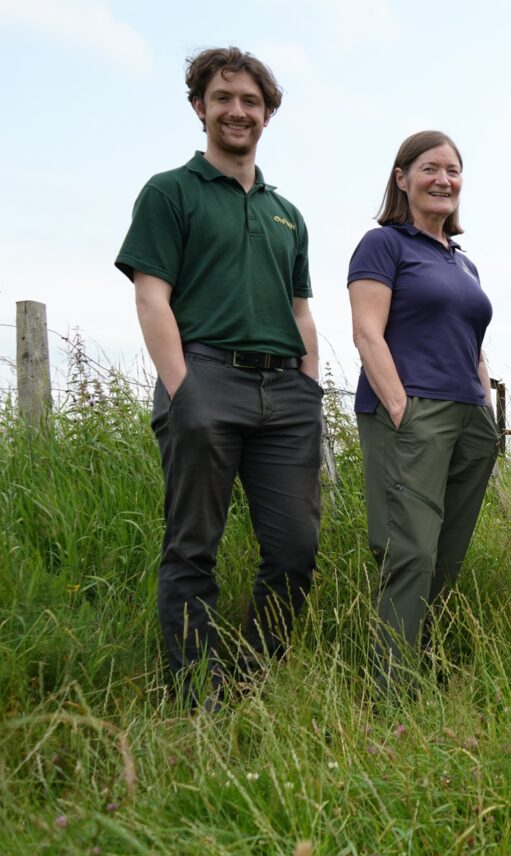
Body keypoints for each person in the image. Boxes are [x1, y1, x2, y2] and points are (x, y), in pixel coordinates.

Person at [114, 47, 322, 708]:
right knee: (192, 549)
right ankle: (196, 693)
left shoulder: (286, 212)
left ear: (267, 114)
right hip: (205, 376)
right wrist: (184, 391)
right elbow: (152, 297)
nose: (238, 111)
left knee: (295, 552)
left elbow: (301, 312)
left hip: (286, 394)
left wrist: (310, 388)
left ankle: (249, 680)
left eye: (251, 101)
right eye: (224, 98)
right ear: (199, 107)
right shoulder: (169, 192)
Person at [348, 131, 499, 690]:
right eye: (430, 168)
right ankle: (390, 690)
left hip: (469, 418)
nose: (444, 180)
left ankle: (425, 671)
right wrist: (400, 409)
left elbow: (472, 344)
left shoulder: (464, 264)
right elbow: (367, 332)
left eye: (454, 170)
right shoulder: (384, 245)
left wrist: (484, 406)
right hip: (412, 412)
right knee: (409, 552)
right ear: (402, 178)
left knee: (446, 555)